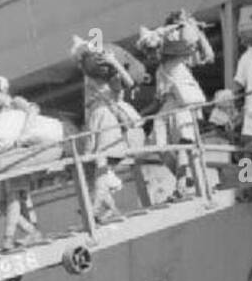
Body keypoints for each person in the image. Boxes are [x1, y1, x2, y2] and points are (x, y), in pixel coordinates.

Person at [139, 14, 215, 196]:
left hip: (183, 105)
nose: (152, 55)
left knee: (185, 142)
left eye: (153, 51)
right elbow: (158, 100)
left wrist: (197, 30)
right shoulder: (160, 70)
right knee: (158, 145)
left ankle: (183, 184)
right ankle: (186, 179)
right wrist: (140, 115)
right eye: (149, 53)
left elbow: (209, 56)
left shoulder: (180, 60)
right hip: (168, 107)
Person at [72, 34, 143, 223]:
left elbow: (129, 83)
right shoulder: (89, 77)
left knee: (101, 162)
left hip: (107, 119)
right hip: (95, 121)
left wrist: (113, 62)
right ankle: (109, 208)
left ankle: (94, 207)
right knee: (97, 167)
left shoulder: (109, 76)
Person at [0, 70, 48, 252]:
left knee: (13, 196)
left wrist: (25, 133)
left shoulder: (16, 103)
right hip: (1, 158)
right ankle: (30, 230)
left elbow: (33, 109)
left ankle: (8, 238)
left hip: (17, 154)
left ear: (3, 90)